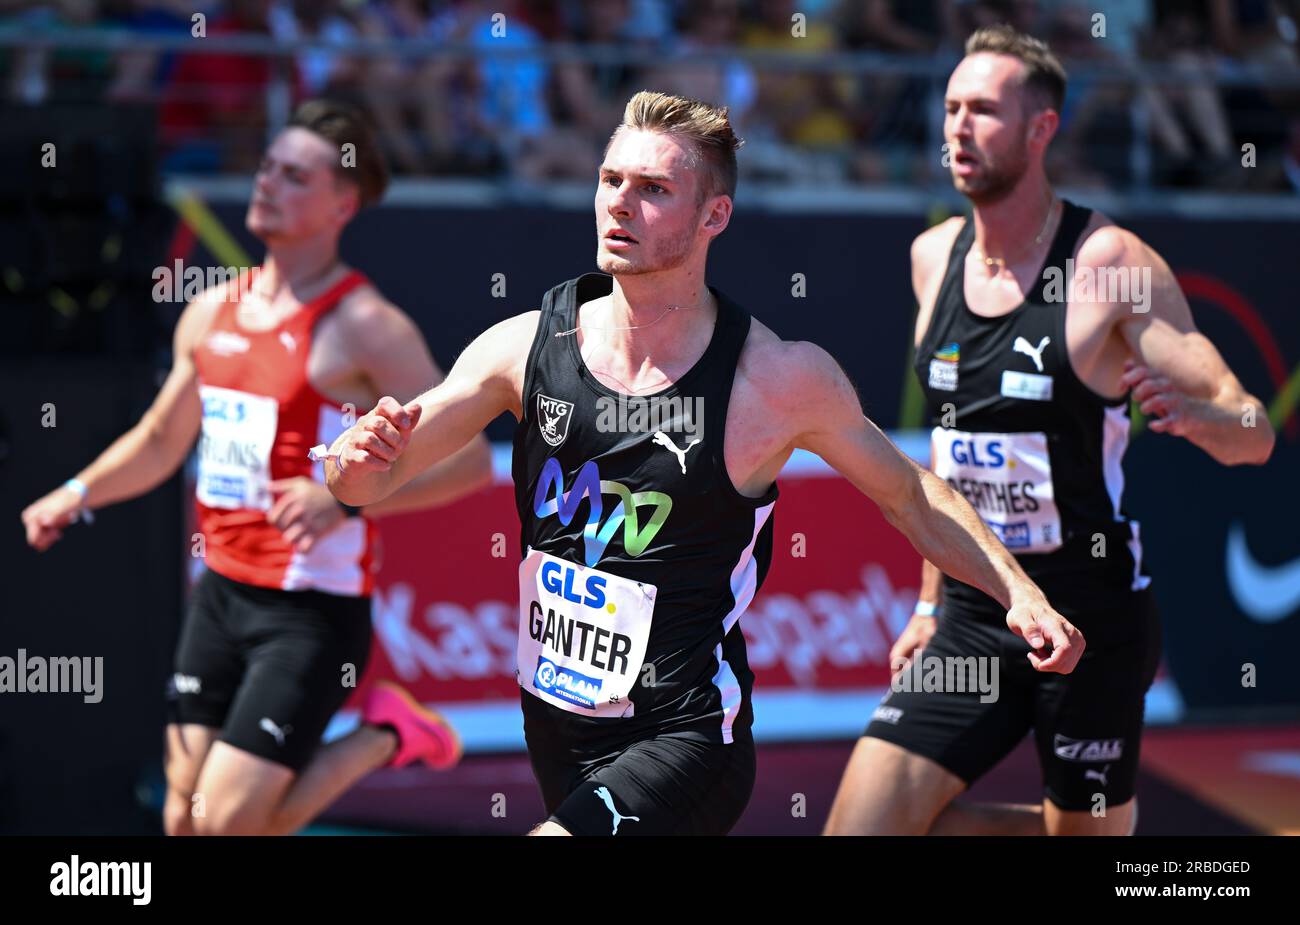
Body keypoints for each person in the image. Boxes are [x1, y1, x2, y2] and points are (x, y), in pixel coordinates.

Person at [322, 90, 1084, 837]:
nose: (620, 204)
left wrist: (1018, 592)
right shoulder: (524, 346)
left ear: (713, 215)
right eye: (610, 180)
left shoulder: (776, 378)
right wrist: (356, 460)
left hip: (686, 736)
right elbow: (369, 479)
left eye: (653, 189)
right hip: (557, 721)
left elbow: (910, 494)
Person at [824, 25, 1275, 837]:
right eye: (950, 108)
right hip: (977, 607)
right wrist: (928, 604)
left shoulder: (1110, 263)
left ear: (1041, 129)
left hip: (1089, 616)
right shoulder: (933, 256)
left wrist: (1202, 417)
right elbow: (950, 456)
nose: (958, 127)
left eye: (983, 110)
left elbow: (1255, 431)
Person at [21, 100, 492, 836]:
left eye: (295, 176)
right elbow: (160, 439)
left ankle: (384, 736)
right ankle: (388, 729)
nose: (267, 184)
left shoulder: (366, 326)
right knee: (182, 818)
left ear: (342, 204)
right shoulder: (211, 309)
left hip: (309, 607)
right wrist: (76, 493)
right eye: (267, 168)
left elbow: (469, 463)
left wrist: (347, 500)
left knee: (224, 825)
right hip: (218, 592)